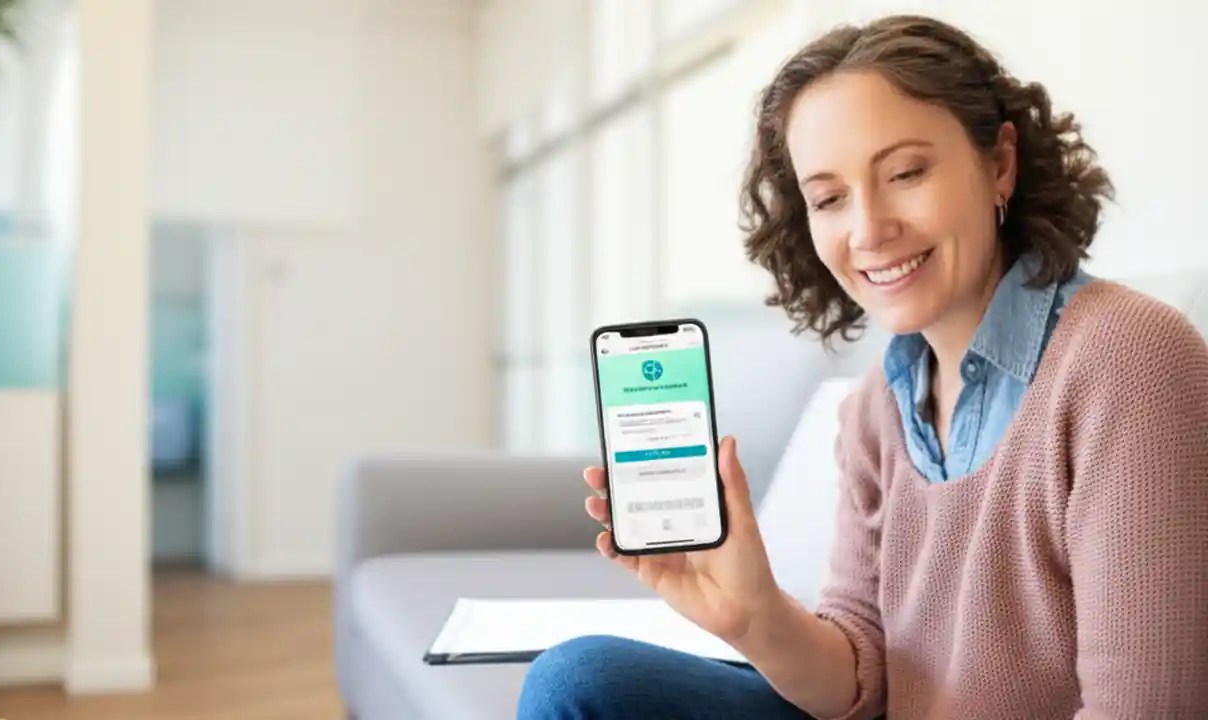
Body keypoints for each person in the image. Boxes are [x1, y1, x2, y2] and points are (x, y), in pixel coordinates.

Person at [517, 14, 1208, 720]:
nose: (870, 230)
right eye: (829, 199)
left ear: (999, 164)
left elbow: (1149, 707)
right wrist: (753, 617)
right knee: (579, 680)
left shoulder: (1130, 357)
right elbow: (864, 680)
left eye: (906, 173)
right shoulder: (878, 403)